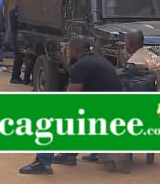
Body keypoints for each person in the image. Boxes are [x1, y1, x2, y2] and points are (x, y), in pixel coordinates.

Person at [19, 36, 123, 175]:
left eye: (68, 50)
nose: (67, 53)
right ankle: (72, 154)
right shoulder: (101, 61)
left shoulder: (81, 66)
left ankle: (43, 162)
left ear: (75, 50)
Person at [8, 4, 33, 85]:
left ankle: (18, 77)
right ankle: (15, 77)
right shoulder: (14, 12)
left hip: (20, 38)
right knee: (18, 59)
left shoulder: (17, 12)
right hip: (17, 39)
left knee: (20, 59)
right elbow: (14, 27)